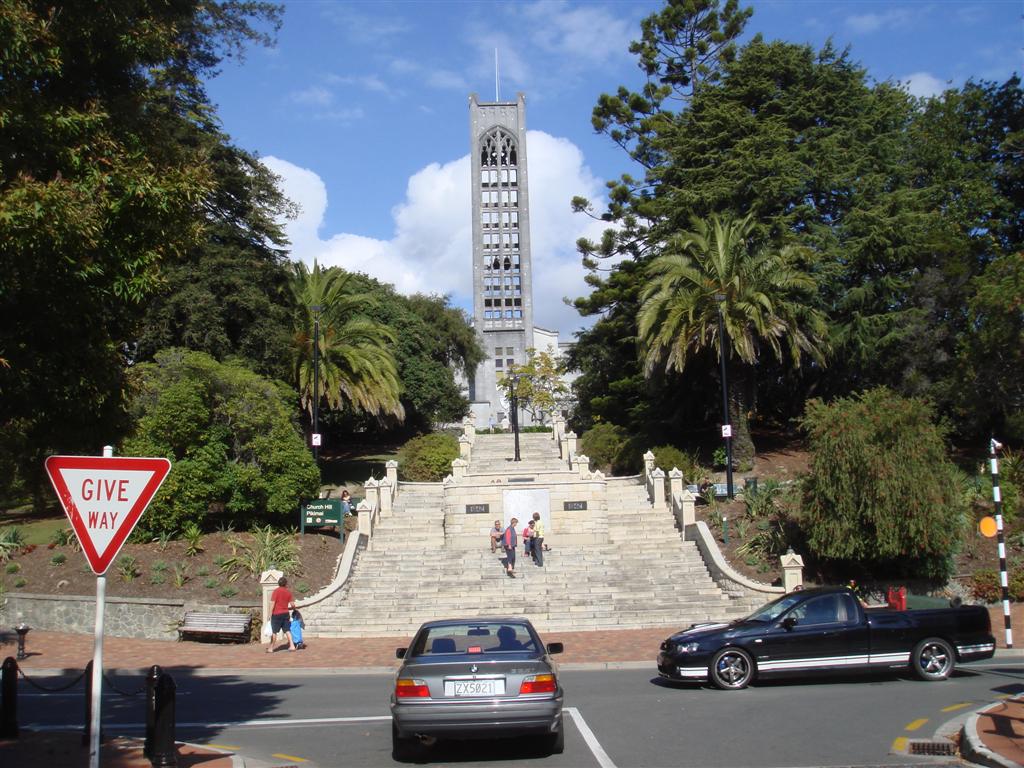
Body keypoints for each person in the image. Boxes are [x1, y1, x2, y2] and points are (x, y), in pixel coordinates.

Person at [267, 576, 296, 653]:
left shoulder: (276, 591)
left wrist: (269, 615)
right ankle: (292, 646)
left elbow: (272, 604)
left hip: (276, 614)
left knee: (274, 631)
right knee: (287, 630)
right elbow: (292, 604)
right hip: (285, 613)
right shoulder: (288, 592)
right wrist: (294, 609)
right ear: (285, 584)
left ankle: (271, 648)